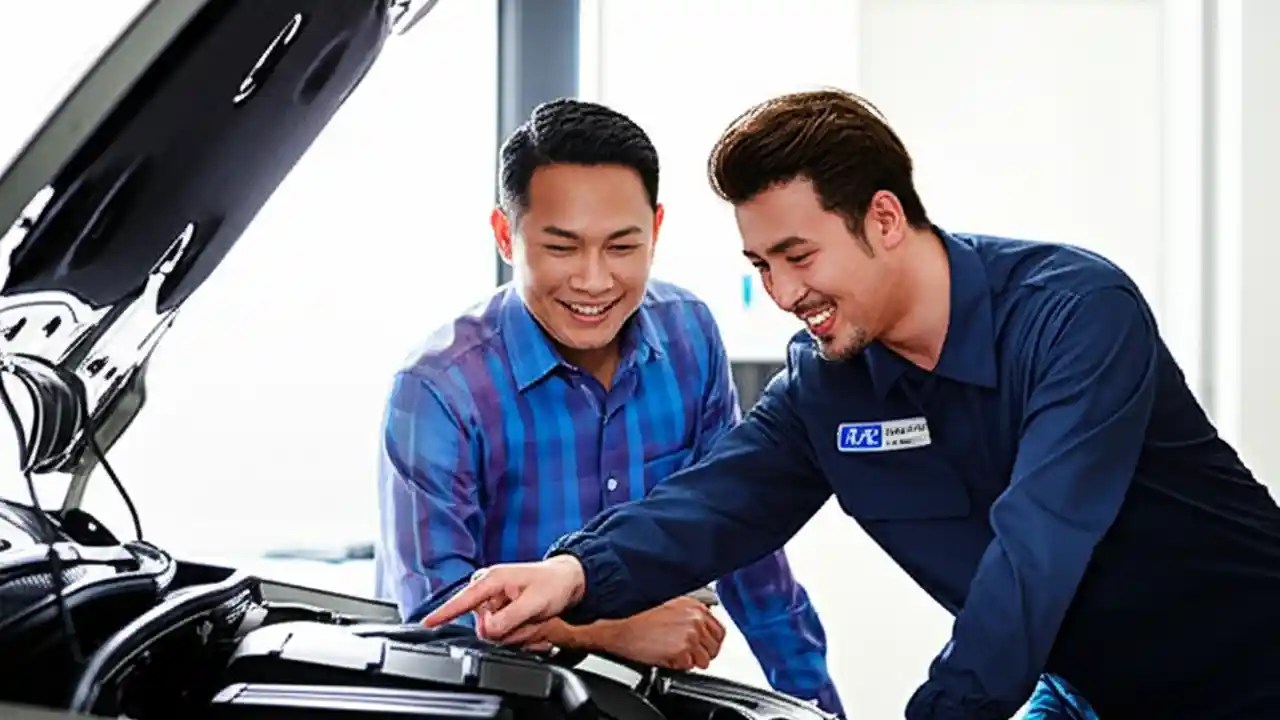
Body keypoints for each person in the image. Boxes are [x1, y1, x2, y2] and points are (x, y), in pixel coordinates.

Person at [421, 88, 1280, 720]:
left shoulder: (1074, 315)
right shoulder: (828, 381)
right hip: (1082, 689)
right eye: (760, 265)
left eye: (798, 255)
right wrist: (570, 576)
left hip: (1250, 679)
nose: (784, 291)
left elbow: (1035, 556)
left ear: (882, 218)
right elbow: (717, 503)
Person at [375, 98, 844, 715]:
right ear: (504, 236)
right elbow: (436, 624)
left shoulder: (689, 335)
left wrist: (817, 706)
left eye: (622, 248)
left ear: (656, 228)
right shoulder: (439, 390)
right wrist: (608, 631)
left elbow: (743, 537)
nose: (594, 282)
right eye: (563, 248)